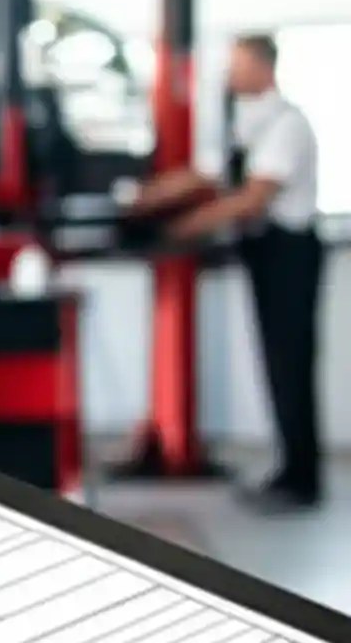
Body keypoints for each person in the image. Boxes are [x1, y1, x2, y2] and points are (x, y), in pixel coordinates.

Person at [131, 33, 323, 511]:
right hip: (264, 255)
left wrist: (181, 229)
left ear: (263, 67)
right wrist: (142, 198)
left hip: (291, 256)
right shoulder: (248, 122)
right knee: (275, 365)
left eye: (237, 65)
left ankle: (303, 480)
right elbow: (207, 174)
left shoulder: (286, 125)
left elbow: (254, 197)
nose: (229, 75)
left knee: (291, 366)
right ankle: (288, 469)